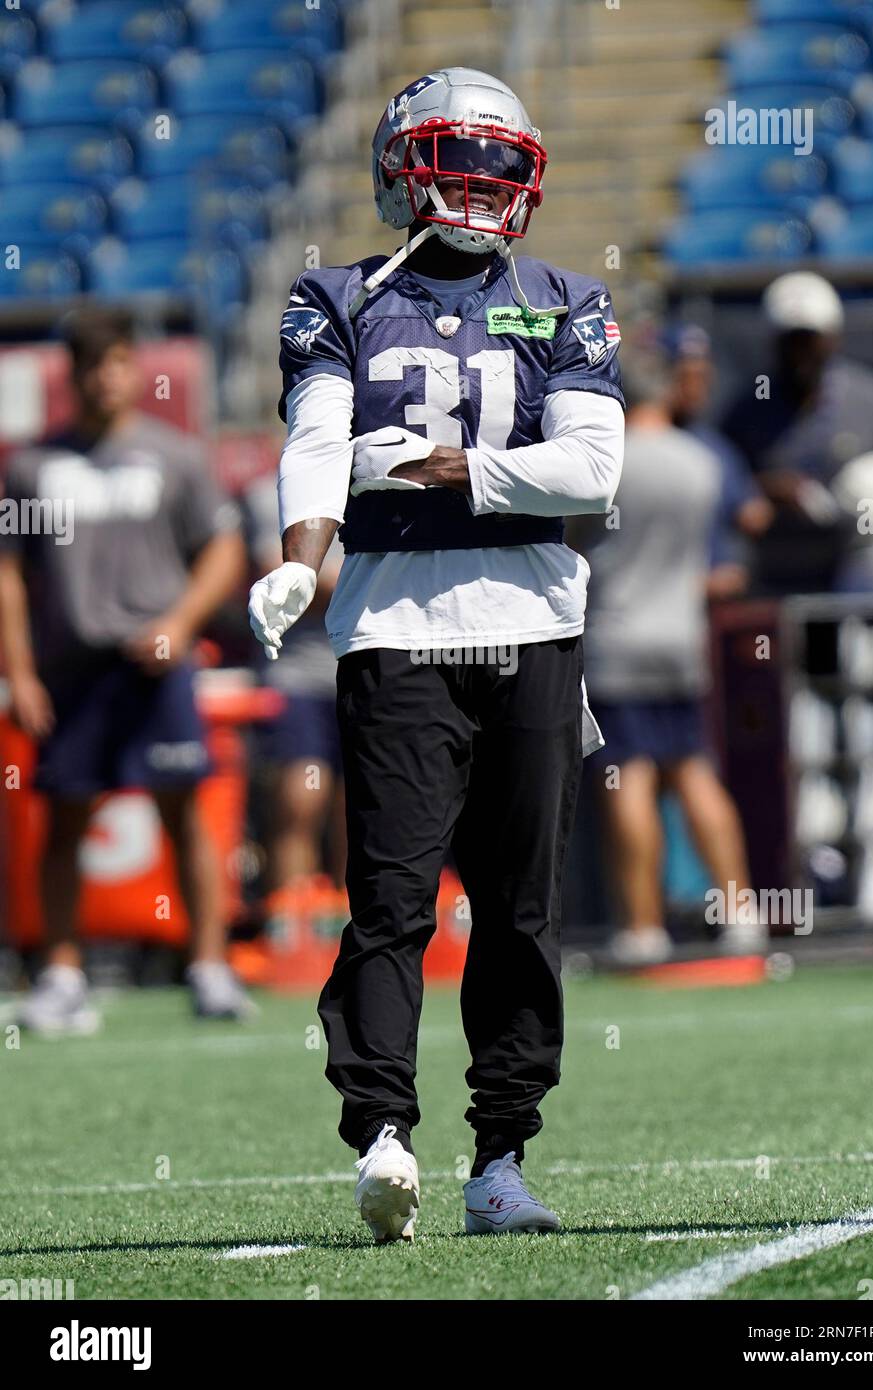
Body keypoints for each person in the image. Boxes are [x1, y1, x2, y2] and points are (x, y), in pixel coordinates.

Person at [248, 68, 624, 1242]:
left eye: (501, 162)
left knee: (518, 910)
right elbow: (317, 440)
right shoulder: (339, 295)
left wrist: (445, 467)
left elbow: (593, 470)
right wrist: (303, 560)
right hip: (395, 630)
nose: (484, 185)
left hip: (532, 627)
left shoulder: (566, 297)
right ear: (407, 168)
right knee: (390, 903)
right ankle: (384, 1137)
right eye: (466, 159)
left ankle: (501, 1157)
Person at [0, 307, 249, 1032]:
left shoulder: (175, 456)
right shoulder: (32, 466)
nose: (104, 378)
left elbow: (222, 551)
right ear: (72, 377)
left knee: (185, 815)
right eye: (89, 366)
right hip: (71, 669)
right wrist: (19, 672)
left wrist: (179, 625)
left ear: (134, 370)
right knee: (64, 818)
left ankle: (209, 967)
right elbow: (9, 573)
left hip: (158, 668)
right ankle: (62, 974)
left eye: (115, 363)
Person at [579, 351, 760, 965]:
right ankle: (740, 916)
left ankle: (643, 927)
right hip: (680, 635)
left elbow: (574, 539)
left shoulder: (608, 459)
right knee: (693, 770)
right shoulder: (701, 461)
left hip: (617, 635)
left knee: (627, 775)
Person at [722, 272, 873, 595]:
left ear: (833, 338)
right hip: (778, 577)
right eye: (792, 341)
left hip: (860, 581)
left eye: (810, 340)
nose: (801, 354)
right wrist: (763, 488)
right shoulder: (748, 413)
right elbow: (726, 490)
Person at [242, 473, 346, 909]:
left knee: (367, 807)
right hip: (298, 674)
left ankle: (364, 933)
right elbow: (282, 576)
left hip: (373, 667)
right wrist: (377, 585)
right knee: (299, 802)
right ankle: (293, 931)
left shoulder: (387, 475)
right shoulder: (271, 490)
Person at [665, 322, 772, 600]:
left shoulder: (717, 448)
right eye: (684, 376)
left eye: (702, 376)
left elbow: (752, 515)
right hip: (661, 602)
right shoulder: (641, 444)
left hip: (719, 606)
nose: (694, 388)